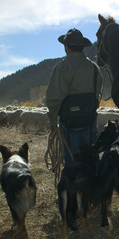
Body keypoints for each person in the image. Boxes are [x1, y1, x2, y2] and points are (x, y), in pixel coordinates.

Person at [46, 28, 103, 164]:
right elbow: (97, 95)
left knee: (72, 161)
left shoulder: (61, 67)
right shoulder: (94, 68)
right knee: (91, 159)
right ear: (82, 47)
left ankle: (73, 183)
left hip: (69, 122)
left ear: (67, 47)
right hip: (89, 120)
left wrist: (53, 121)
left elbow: (54, 98)